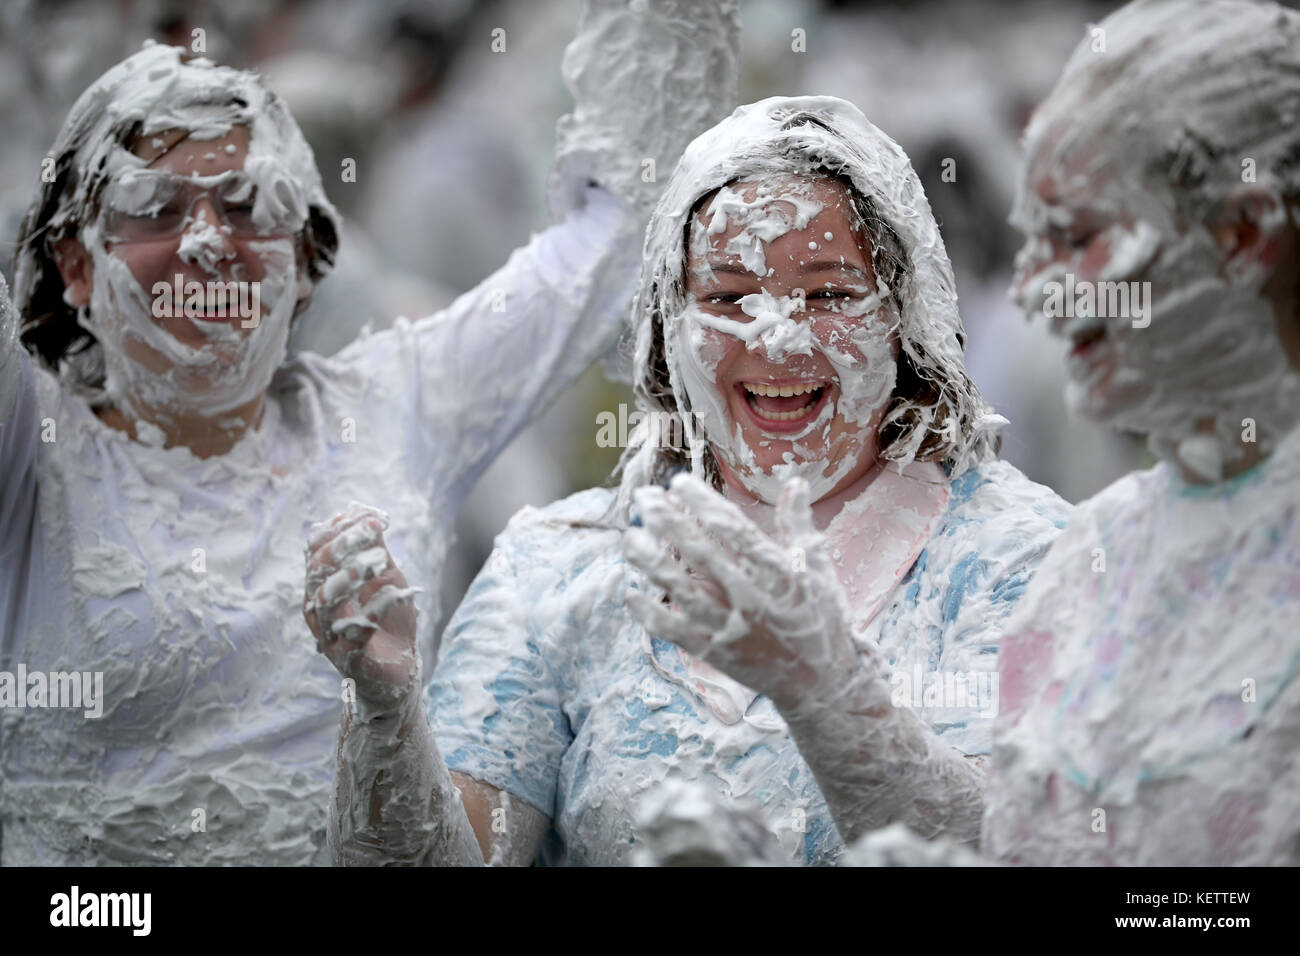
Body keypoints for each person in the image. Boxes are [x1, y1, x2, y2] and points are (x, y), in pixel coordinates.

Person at [0, 0, 742, 865]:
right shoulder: (33, 446)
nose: (209, 242)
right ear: (75, 267)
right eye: (156, 210)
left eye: (247, 207)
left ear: (310, 264)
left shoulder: (398, 404)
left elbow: (619, 234)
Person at [306, 95, 1071, 866]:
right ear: (669, 332)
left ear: (904, 319)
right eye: (729, 297)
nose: (777, 339)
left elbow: (1035, 852)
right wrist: (385, 711)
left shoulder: (1027, 561)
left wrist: (827, 694)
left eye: (829, 293)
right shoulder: (555, 570)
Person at [981, 0, 1300, 865]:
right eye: (1030, 241)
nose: (1030, 289)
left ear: (1244, 236)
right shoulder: (1088, 555)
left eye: (1076, 236)